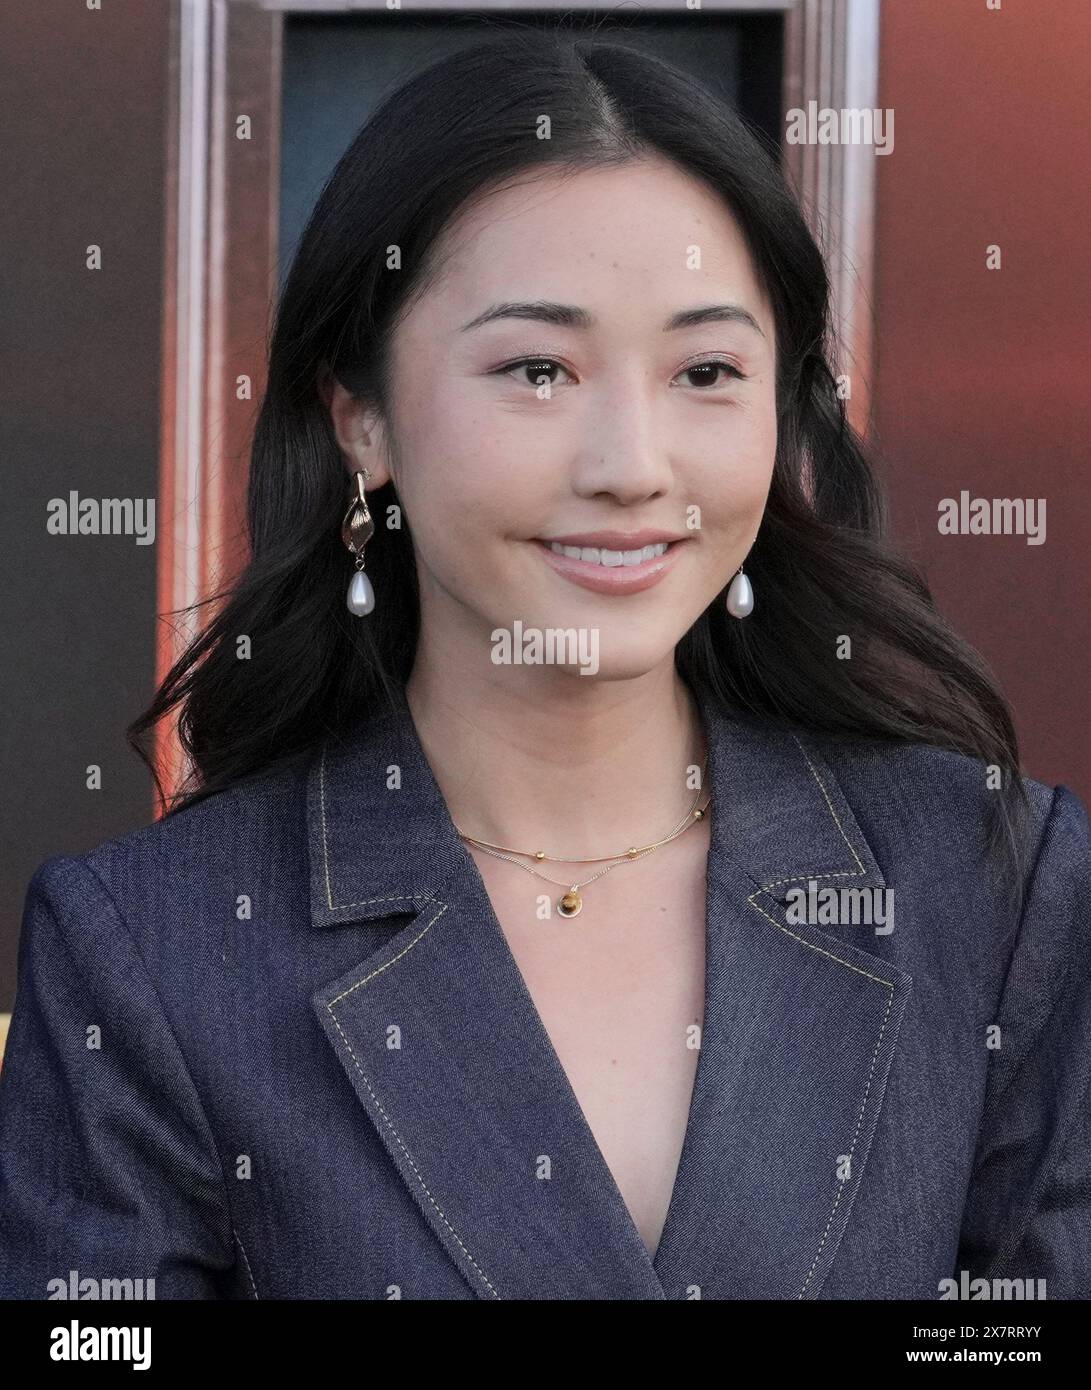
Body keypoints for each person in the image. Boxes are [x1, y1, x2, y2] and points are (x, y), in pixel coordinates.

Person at [1, 31, 1088, 1301]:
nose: (631, 464)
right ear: (360, 417)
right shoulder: (157, 948)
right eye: (536, 369)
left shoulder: (988, 885)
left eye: (705, 371)